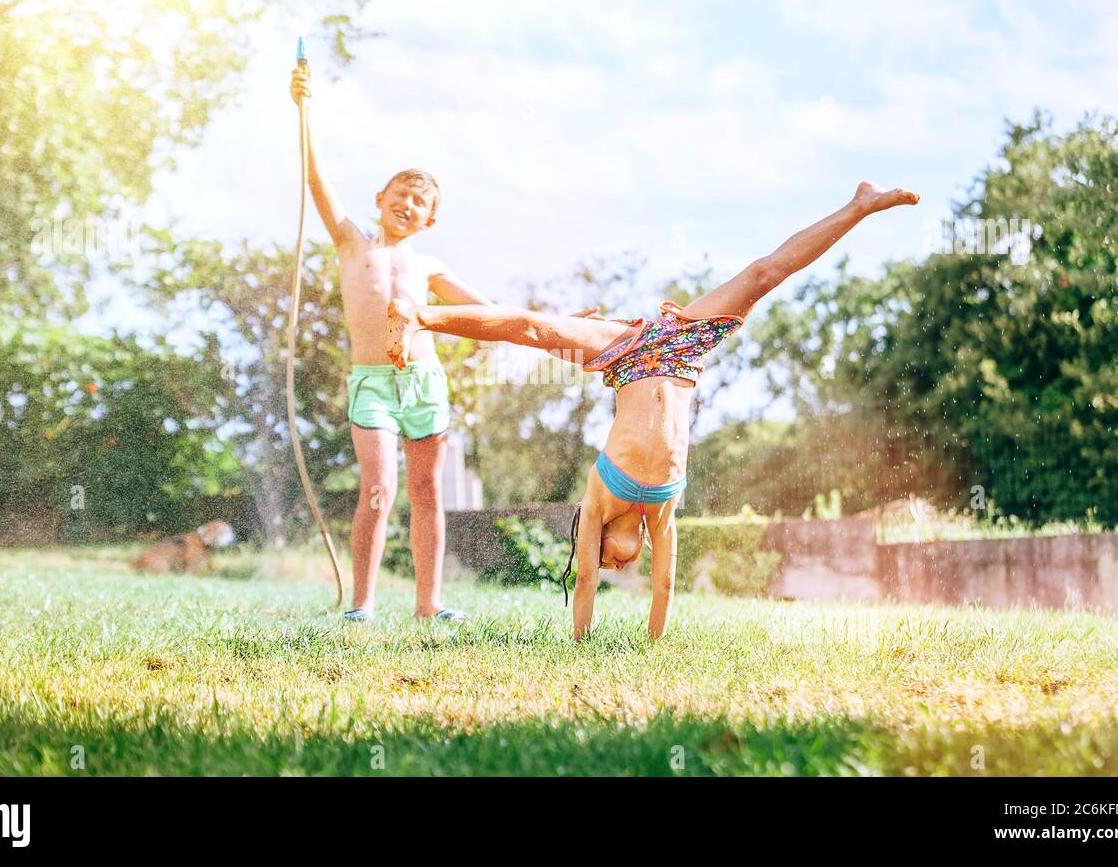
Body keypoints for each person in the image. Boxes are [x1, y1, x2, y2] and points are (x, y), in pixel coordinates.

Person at [385, 181, 920, 640]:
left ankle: (859, 204)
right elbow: (663, 587)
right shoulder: (661, 515)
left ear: (592, 545)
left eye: (607, 560)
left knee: (535, 328)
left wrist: (580, 636)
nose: (619, 563)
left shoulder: (597, 501)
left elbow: (586, 583)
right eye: (621, 562)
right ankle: (863, 205)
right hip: (682, 349)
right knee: (762, 277)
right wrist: (653, 641)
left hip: (623, 347)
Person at [288, 68, 495, 622]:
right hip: (373, 383)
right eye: (400, 193)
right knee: (378, 486)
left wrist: (563, 322)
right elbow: (315, 181)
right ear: (380, 199)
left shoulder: (428, 264)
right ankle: (362, 605)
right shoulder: (353, 244)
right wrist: (303, 108)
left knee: (427, 490)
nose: (408, 201)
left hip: (424, 382)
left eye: (420, 200)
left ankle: (428, 604)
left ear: (430, 219)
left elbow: (489, 313)